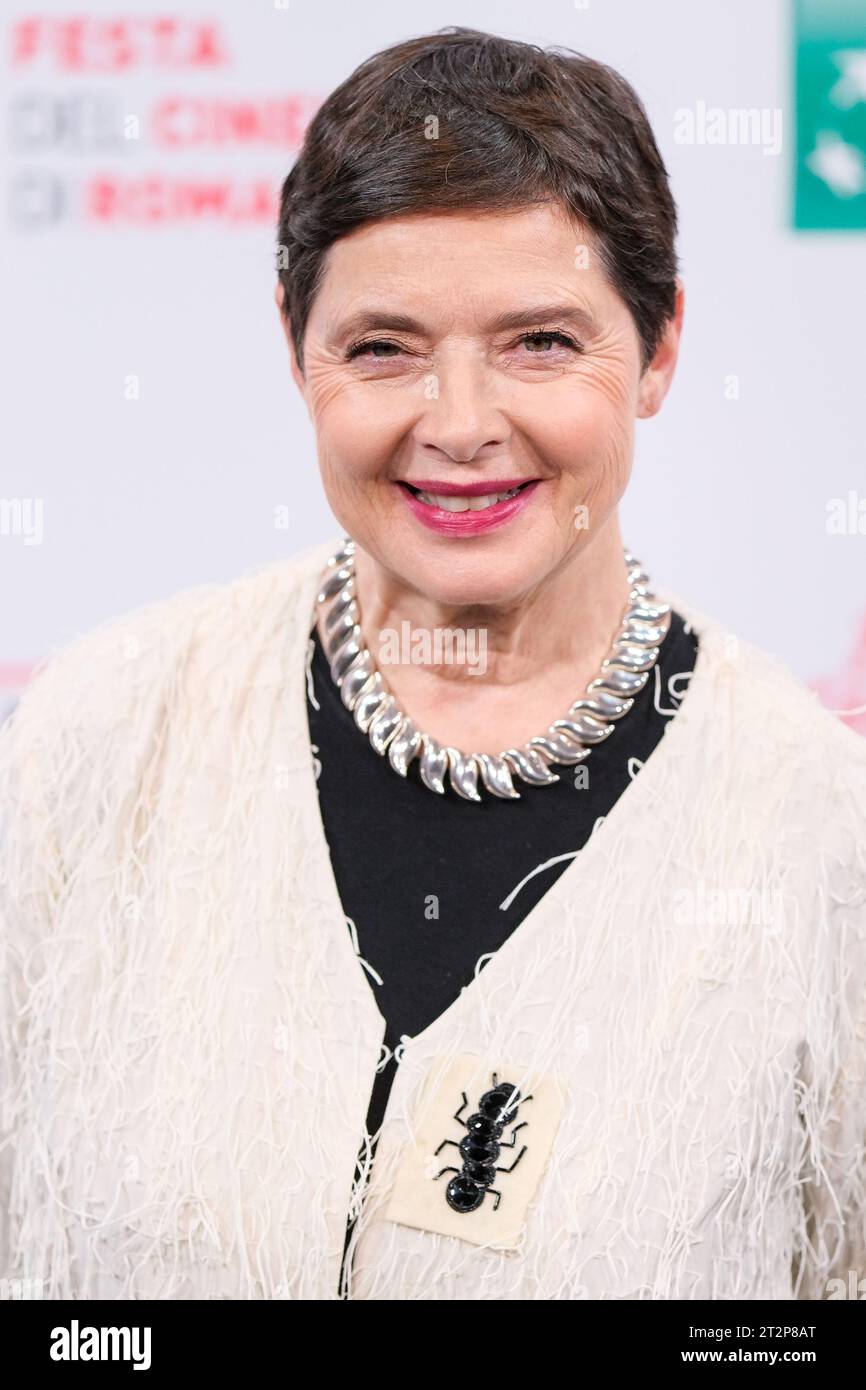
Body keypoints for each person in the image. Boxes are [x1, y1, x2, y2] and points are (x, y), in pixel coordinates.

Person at [1, 27, 864, 1301]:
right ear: (296, 349)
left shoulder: (819, 830)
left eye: (541, 342)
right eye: (382, 347)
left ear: (661, 346)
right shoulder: (99, 732)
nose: (458, 426)